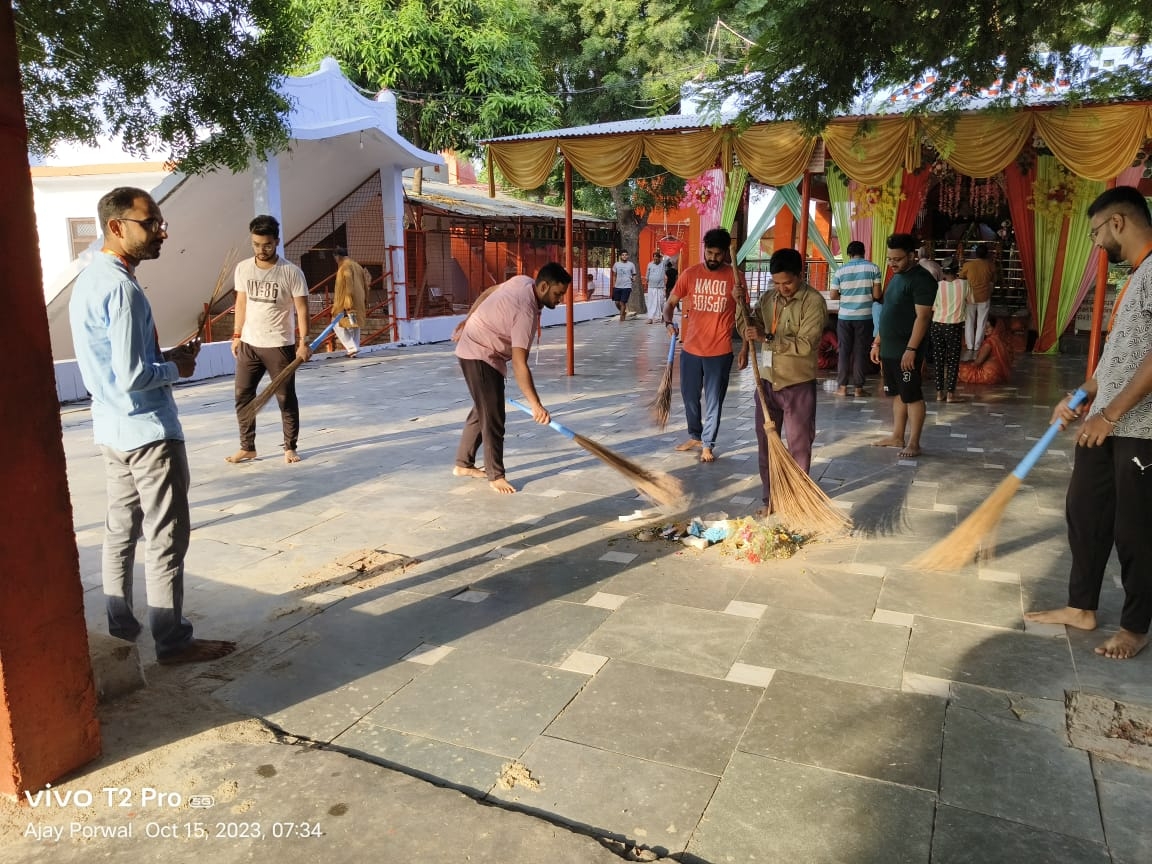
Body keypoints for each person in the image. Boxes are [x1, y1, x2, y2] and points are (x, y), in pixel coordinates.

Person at [68, 187, 236, 665]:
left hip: (113, 429)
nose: (162, 231)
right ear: (117, 227)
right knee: (166, 536)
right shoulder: (121, 288)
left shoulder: (93, 280)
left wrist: (166, 357)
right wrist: (175, 370)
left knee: (120, 531)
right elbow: (135, 375)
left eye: (161, 222)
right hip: (147, 433)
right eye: (151, 223)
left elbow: (117, 361)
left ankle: (122, 626)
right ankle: (173, 641)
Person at [1025, 186, 1152, 659]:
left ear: (1118, 222)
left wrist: (1113, 413)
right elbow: (1118, 361)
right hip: (1105, 422)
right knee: (1085, 512)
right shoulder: (1136, 276)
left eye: (1097, 231)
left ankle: (1135, 627)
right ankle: (1082, 607)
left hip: (1141, 430)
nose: (1097, 242)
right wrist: (1079, 396)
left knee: (1136, 529)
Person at [452, 263, 572, 494]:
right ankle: (495, 475)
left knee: (483, 409)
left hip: (483, 349)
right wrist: (536, 405)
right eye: (558, 294)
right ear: (544, 286)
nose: (560, 300)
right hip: (479, 353)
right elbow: (519, 363)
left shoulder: (523, 281)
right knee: (493, 416)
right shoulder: (526, 311)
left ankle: (463, 464)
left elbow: (489, 291)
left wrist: (469, 319)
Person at [737, 248, 828, 517]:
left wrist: (767, 339)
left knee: (799, 446)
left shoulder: (813, 302)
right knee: (767, 446)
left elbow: (806, 343)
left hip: (797, 383)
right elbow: (750, 328)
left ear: (800, 276)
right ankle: (771, 499)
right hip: (766, 382)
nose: (782, 288)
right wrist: (740, 308)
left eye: (787, 282)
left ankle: (798, 501)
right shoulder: (768, 299)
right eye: (776, 283)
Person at [227, 215, 311, 465]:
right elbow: (241, 302)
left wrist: (303, 342)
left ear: (276, 241)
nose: (261, 250)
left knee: (285, 398)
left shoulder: (291, 272)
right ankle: (247, 447)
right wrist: (236, 335)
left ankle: (289, 447)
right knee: (243, 396)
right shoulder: (243, 268)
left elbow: (302, 310)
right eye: (255, 244)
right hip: (249, 344)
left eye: (266, 245)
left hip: (279, 345)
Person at [662, 227, 741, 463]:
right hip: (691, 349)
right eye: (709, 252)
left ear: (726, 253)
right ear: (704, 250)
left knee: (714, 400)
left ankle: (708, 443)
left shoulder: (735, 277)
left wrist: (740, 298)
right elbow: (670, 303)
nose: (713, 258)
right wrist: (668, 321)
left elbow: (745, 316)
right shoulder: (689, 274)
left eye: (718, 254)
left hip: (720, 351)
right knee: (689, 397)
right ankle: (695, 435)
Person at [870, 234, 937, 458]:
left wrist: (911, 350)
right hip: (890, 349)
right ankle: (897, 436)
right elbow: (889, 312)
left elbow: (923, 317)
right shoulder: (896, 278)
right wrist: (877, 341)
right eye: (889, 259)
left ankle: (914, 443)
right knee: (898, 394)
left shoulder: (921, 279)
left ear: (911, 256)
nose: (892, 264)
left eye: (897, 259)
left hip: (906, 352)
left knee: (912, 396)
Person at [829, 240, 881, 397]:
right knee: (860, 351)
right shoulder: (873, 268)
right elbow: (877, 295)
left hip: (844, 317)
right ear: (864, 252)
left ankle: (842, 388)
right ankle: (859, 388)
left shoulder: (840, 271)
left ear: (848, 254)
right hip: (865, 317)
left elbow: (833, 295)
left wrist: (845, 295)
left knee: (844, 351)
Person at [931, 259, 970, 402]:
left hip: (937, 324)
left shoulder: (938, 286)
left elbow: (934, 307)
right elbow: (971, 300)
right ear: (957, 269)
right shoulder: (965, 284)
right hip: (954, 325)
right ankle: (950, 394)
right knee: (953, 360)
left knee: (939, 359)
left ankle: (939, 393)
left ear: (944, 271)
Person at [332, 246, 370, 357]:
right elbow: (365, 285)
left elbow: (348, 285)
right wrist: (365, 300)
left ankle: (351, 347)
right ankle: (354, 349)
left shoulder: (344, 267)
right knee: (354, 325)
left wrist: (347, 303)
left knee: (335, 323)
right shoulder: (358, 266)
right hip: (358, 302)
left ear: (337, 257)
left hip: (346, 304)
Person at [960, 244, 994, 359]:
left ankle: (970, 345)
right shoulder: (990, 265)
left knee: (969, 321)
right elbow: (994, 280)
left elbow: (961, 278)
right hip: (984, 296)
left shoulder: (968, 265)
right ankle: (977, 345)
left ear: (975, 254)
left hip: (970, 297)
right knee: (982, 322)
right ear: (987, 254)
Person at [957, 316, 1013, 385]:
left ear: (995, 328)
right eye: (984, 326)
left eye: (988, 327)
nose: (986, 329)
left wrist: (965, 365)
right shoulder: (1000, 339)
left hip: (988, 375)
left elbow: (978, 363)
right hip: (999, 374)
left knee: (958, 368)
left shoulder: (989, 342)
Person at [610, 250, 638, 322]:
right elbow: (614, 275)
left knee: (622, 303)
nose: (624, 256)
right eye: (623, 255)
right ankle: (624, 312)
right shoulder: (616, 264)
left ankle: (621, 318)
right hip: (617, 286)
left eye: (626, 255)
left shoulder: (631, 264)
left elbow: (634, 274)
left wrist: (633, 279)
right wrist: (614, 284)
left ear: (628, 256)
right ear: (620, 256)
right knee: (617, 302)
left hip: (627, 286)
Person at [643, 250, 667, 323]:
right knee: (651, 303)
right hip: (651, 287)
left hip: (660, 287)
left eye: (657, 259)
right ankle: (650, 318)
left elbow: (668, 258)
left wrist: (661, 255)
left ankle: (663, 316)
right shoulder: (650, 264)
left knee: (661, 303)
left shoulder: (663, 264)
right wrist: (646, 284)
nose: (655, 260)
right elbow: (647, 274)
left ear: (659, 258)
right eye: (654, 259)